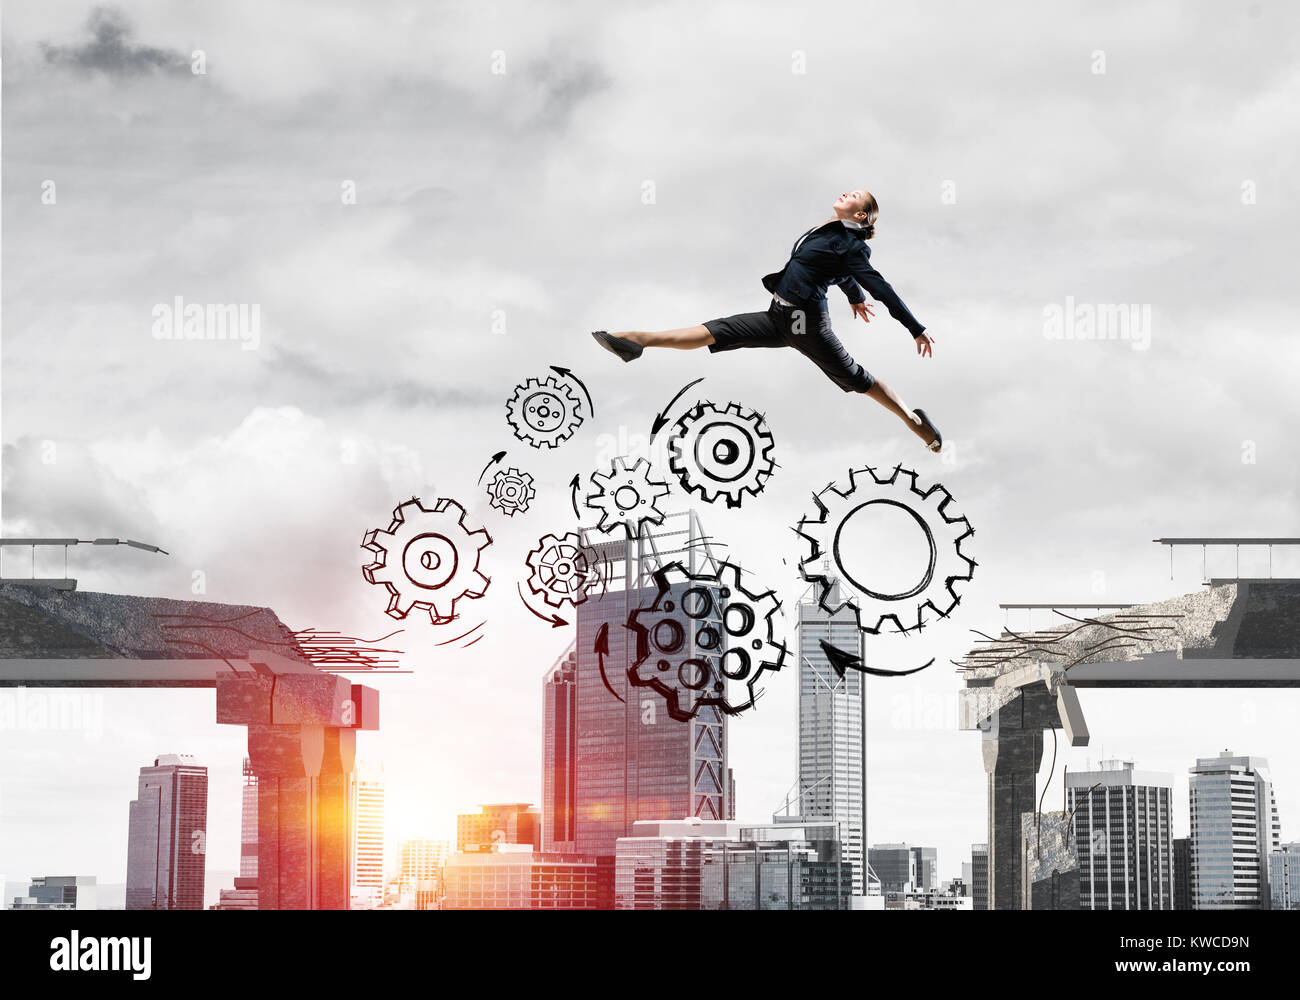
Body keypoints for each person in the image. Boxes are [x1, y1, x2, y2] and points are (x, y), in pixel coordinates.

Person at [591, 188, 942, 452]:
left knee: (856, 378)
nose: (848, 193)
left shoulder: (852, 245)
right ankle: (635, 341)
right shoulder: (834, 230)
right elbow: (836, 272)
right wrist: (854, 297)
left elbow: (882, 287)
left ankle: (914, 423)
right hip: (779, 315)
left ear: (862, 216)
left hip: (805, 324)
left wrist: (915, 328)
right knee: (715, 331)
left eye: (857, 197)